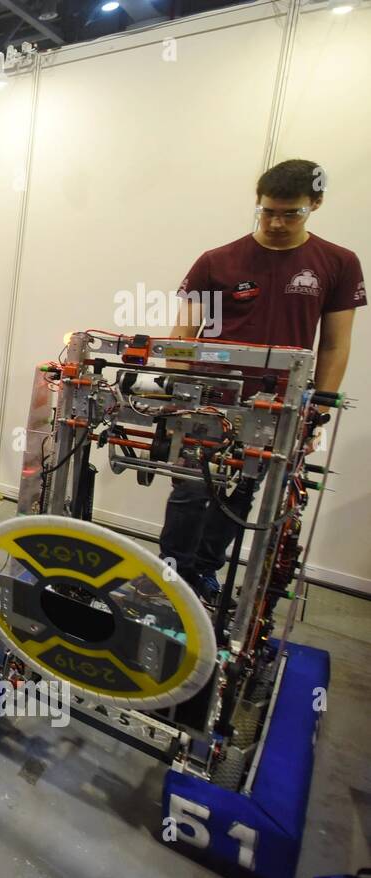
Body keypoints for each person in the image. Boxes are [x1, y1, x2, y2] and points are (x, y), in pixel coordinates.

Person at [161, 159, 364, 605]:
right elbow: (183, 336)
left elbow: (333, 345)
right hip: (212, 400)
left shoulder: (338, 263)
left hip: (277, 407)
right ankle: (171, 578)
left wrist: (320, 410)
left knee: (242, 493)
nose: (275, 222)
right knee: (192, 489)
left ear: (316, 204)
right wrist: (174, 393)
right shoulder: (217, 262)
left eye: (290, 213)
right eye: (267, 211)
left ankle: (204, 575)